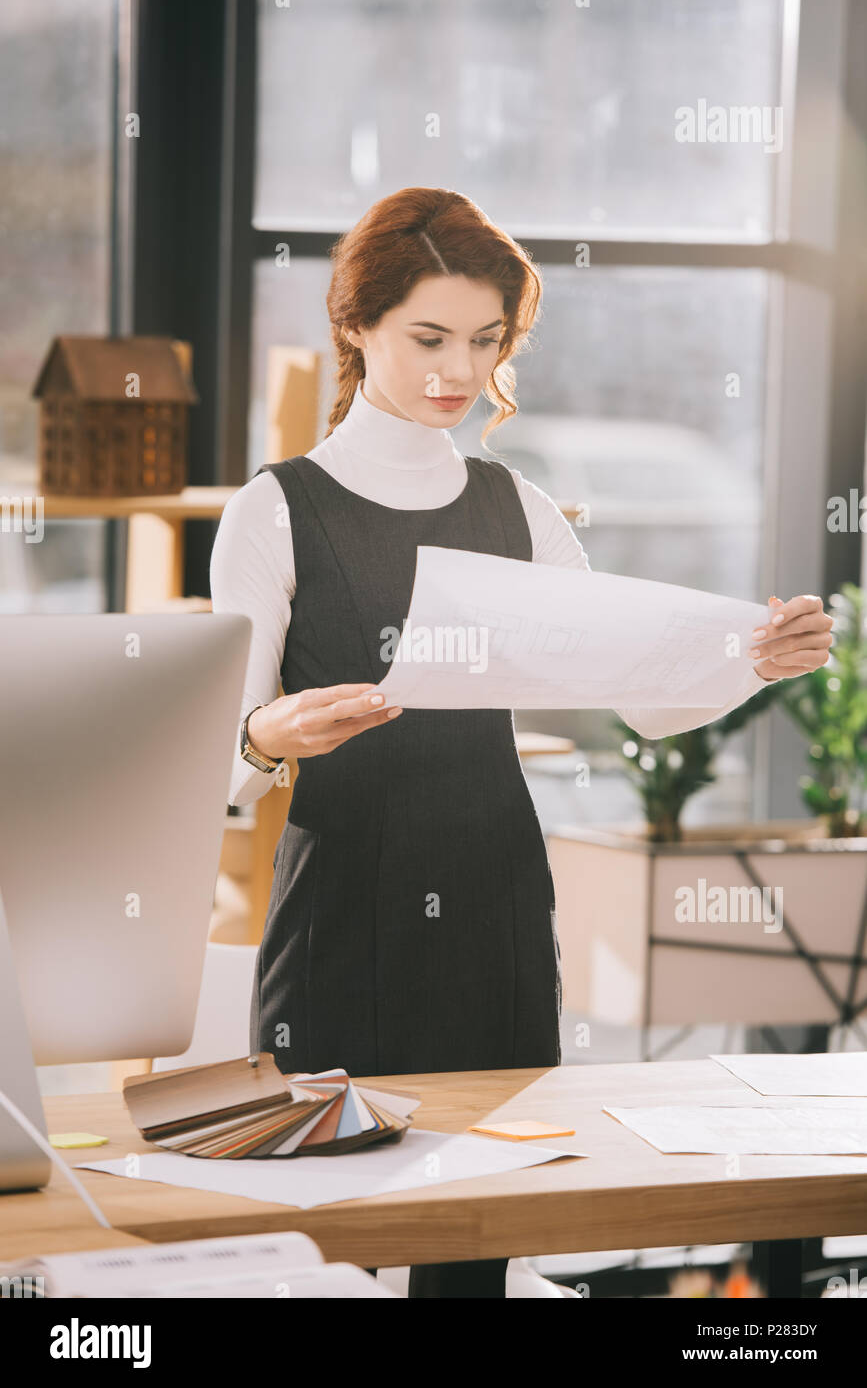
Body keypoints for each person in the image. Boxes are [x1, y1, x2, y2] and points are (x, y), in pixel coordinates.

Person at [210, 186, 833, 1297]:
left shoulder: (521, 509)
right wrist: (267, 733)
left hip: (494, 902)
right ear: (356, 325)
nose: (459, 370)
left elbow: (638, 697)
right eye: (429, 338)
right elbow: (219, 775)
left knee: (478, 1246)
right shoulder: (277, 509)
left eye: (487, 340)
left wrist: (748, 658)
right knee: (322, 1249)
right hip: (341, 908)